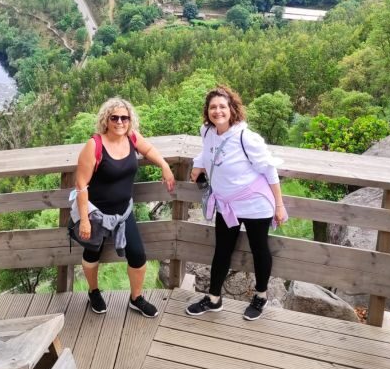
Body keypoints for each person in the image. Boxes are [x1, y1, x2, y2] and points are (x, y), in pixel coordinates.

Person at [186, 85, 287, 321]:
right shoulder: (207, 131)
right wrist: (198, 165)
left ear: (232, 109)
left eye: (222, 106)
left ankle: (260, 296)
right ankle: (214, 299)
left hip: (254, 204)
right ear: (207, 111)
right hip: (226, 204)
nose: (217, 111)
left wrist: (279, 205)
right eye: (213, 107)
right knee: (222, 250)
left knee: (259, 249)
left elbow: (269, 170)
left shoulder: (245, 137)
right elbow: (207, 151)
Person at [73, 97, 176, 317]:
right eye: (115, 118)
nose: (120, 122)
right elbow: (81, 184)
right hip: (97, 214)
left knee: (138, 256)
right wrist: (84, 220)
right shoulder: (94, 145)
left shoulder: (132, 138)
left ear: (130, 120)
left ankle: (136, 298)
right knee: (92, 253)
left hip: (123, 213)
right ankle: (93, 292)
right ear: (106, 120)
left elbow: (148, 149)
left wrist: (164, 165)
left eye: (124, 118)